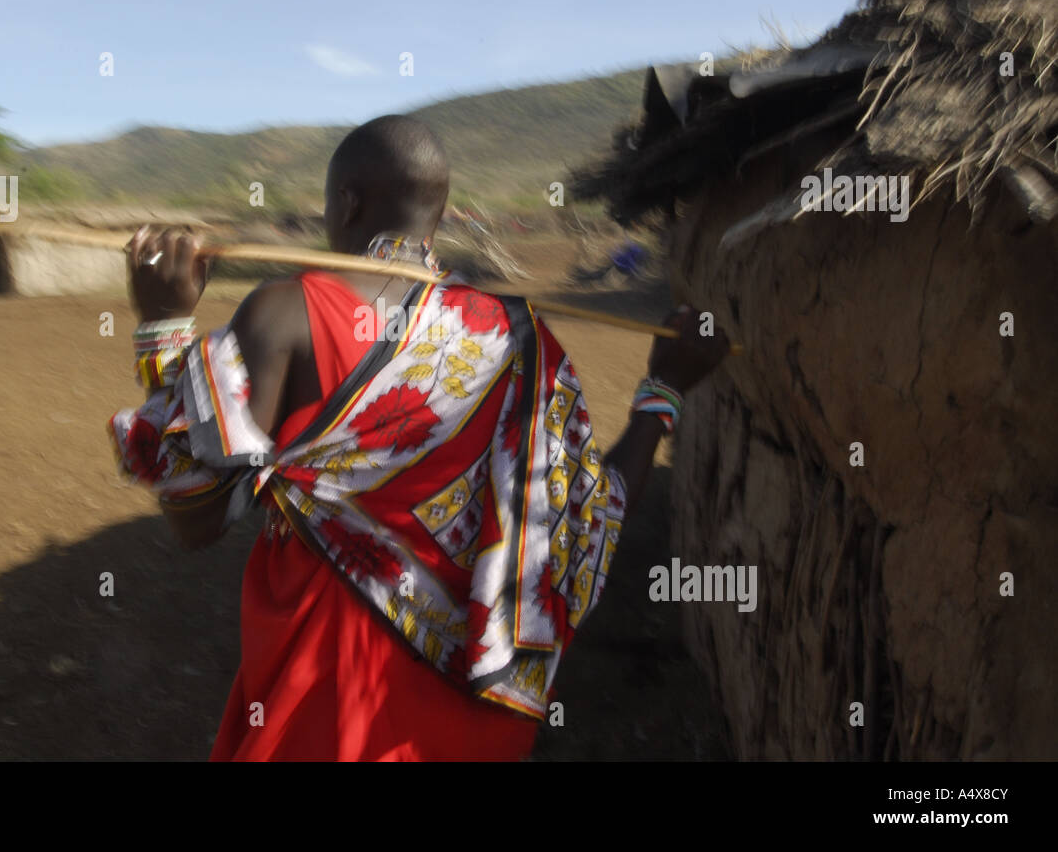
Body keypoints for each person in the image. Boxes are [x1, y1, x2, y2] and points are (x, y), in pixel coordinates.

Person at [109, 115, 728, 761]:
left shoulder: (287, 311)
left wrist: (165, 323)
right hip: (472, 726)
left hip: (328, 709)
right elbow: (589, 518)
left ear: (346, 201)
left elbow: (197, 518)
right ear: (437, 213)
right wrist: (665, 391)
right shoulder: (523, 341)